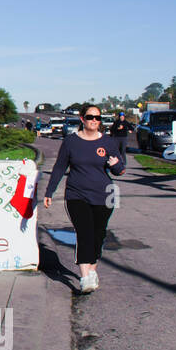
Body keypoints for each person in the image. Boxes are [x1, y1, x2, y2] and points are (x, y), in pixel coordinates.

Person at [43, 105, 125, 293]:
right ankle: (85, 276)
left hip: (105, 195)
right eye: (90, 117)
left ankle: (92, 269)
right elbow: (59, 167)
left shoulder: (108, 142)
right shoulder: (71, 142)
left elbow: (120, 170)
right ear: (82, 119)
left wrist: (115, 165)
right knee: (84, 232)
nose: (94, 120)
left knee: (98, 235)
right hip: (76, 194)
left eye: (98, 117)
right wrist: (49, 191)